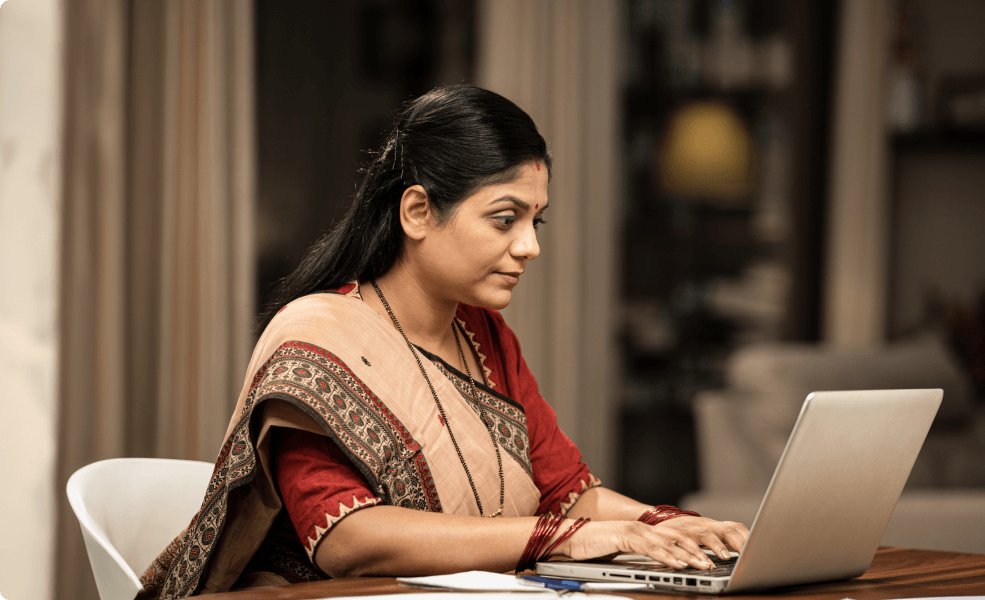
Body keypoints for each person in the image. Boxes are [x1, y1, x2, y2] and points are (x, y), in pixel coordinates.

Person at [140, 85, 749, 598]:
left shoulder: (485, 337)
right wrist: (561, 539)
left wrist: (669, 526)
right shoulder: (318, 341)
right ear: (417, 212)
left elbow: (568, 494)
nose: (530, 246)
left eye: (535, 221)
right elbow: (346, 540)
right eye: (504, 219)